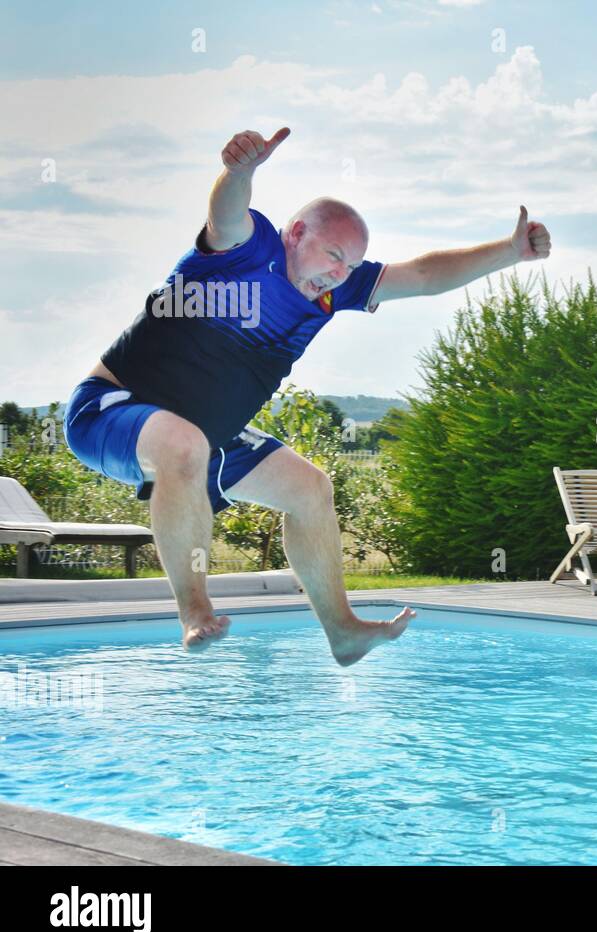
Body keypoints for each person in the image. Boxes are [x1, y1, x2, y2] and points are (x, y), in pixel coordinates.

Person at [63, 127, 552, 664]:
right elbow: (226, 213)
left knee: (310, 490)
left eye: (349, 265)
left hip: (209, 437)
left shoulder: (338, 288)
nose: (338, 274)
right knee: (183, 446)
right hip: (111, 410)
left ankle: (343, 631)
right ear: (296, 233)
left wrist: (510, 252)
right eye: (333, 255)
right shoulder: (245, 250)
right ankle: (195, 609)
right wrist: (240, 172)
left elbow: (426, 274)